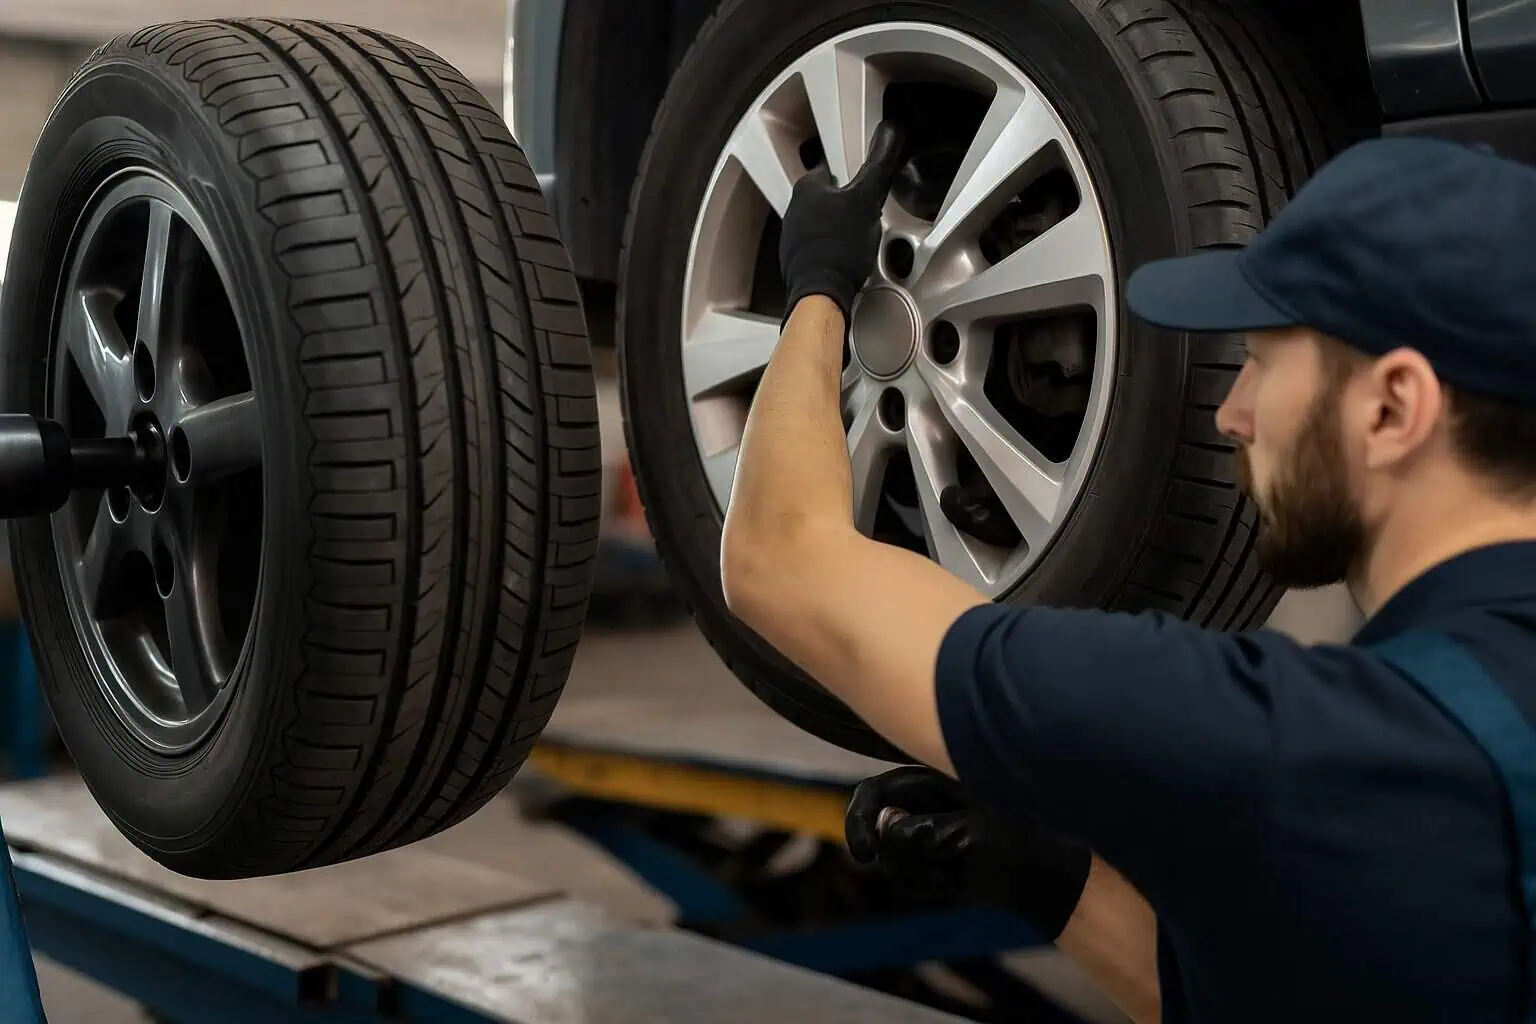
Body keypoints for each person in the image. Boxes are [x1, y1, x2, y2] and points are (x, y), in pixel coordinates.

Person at [717, 121, 1536, 1023]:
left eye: (1262, 362)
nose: (1232, 413)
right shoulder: (1424, 767)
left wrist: (819, 287)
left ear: (1392, 408)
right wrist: (1058, 881)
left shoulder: (1295, 739)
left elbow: (777, 557)